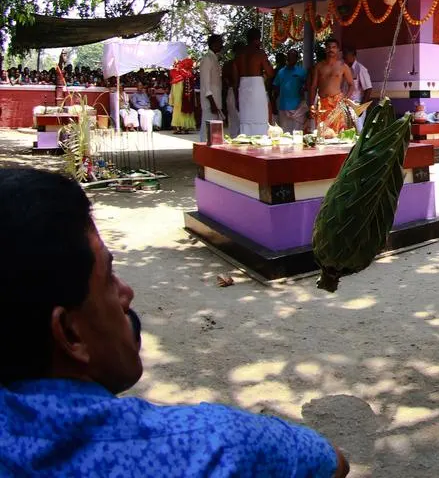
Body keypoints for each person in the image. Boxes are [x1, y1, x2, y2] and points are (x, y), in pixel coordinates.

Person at [0, 167, 348, 477]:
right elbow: (332, 463)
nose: (126, 294)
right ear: (70, 334)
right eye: (108, 278)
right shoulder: (215, 446)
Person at [232, 29, 274, 137]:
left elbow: (235, 80)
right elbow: (270, 72)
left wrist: (236, 97)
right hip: (256, 85)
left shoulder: (238, 55)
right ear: (258, 39)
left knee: (246, 116)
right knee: (259, 115)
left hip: (243, 85)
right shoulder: (259, 53)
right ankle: (260, 138)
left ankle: (245, 139)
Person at [309, 41, 354, 136]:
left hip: (337, 103)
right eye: (329, 47)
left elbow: (351, 85)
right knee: (322, 133)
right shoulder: (319, 66)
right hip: (322, 104)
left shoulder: (343, 66)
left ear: (338, 50)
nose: (331, 49)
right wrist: (311, 104)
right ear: (325, 49)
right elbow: (313, 87)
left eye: (334, 47)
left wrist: (345, 99)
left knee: (338, 133)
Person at [273, 51, 308, 134]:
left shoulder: (302, 72)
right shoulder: (280, 72)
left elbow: (308, 86)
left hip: (298, 107)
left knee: (297, 134)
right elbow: (275, 87)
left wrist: (303, 88)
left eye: (293, 56)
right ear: (286, 58)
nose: (290, 58)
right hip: (283, 106)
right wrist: (274, 103)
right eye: (289, 56)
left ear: (297, 58)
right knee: (284, 133)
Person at [168, 57, 196, 133]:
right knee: (185, 109)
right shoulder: (189, 74)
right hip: (187, 97)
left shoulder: (177, 74)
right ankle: (185, 127)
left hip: (179, 97)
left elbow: (173, 89)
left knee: (178, 108)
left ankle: (178, 127)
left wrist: (172, 100)